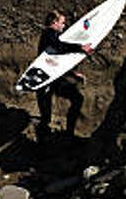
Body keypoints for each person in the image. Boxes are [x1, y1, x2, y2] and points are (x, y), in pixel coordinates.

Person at [35, 10, 94, 140]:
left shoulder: (54, 36)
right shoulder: (48, 34)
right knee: (46, 117)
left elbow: (57, 60)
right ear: (54, 22)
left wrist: (73, 74)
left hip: (55, 80)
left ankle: (69, 134)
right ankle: (40, 149)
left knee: (78, 98)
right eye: (62, 22)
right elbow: (59, 46)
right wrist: (80, 48)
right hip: (44, 81)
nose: (64, 26)